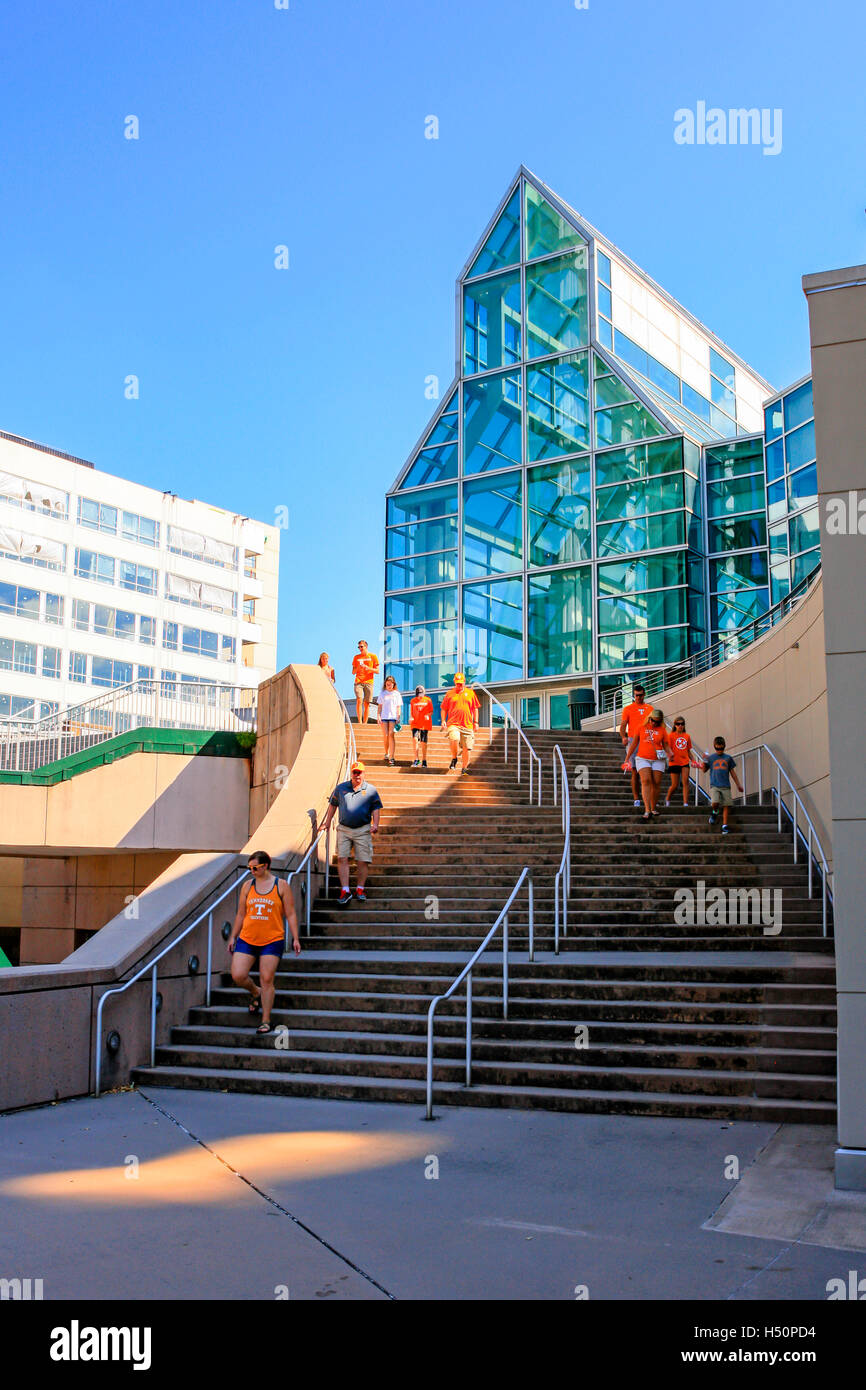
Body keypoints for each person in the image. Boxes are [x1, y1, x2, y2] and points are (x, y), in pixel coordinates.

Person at [228, 851, 300, 1035]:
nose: (251, 871)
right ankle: (255, 992)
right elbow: (240, 914)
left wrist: (295, 938)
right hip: (248, 938)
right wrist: (233, 936)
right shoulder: (247, 886)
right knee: (237, 974)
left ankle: (266, 1020)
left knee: (267, 978)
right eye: (249, 868)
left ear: (266, 866)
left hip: (272, 939)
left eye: (255, 868)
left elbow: (290, 913)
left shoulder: (281, 885)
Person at [320, 760, 383, 905]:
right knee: (342, 858)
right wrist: (327, 823)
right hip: (344, 828)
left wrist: (376, 824)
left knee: (363, 860)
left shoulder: (371, 790)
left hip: (363, 829)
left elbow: (376, 808)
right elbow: (332, 806)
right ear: (351, 774)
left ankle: (360, 889)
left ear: (364, 774)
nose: (357, 775)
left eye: (359, 772)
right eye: (355, 772)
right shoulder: (341, 788)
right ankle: (345, 890)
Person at [625, 708, 672, 821]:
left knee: (656, 783)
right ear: (649, 718)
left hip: (658, 759)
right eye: (652, 720)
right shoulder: (641, 727)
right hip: (642, 758)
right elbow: (634, 744)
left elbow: (665, 745)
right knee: (646, 781)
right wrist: (627, 758)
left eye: (657, 721)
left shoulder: (662, 730)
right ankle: (647, 809)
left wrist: (670, 753)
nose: (654, 723)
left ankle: (653, 807)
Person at [619, 684, 653, 808]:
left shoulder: (649, 708)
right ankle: (636, 799)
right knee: (634, 770)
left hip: (647, 740)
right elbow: (623, 725)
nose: (638, 697)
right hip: (633, 739)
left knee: (648, 771)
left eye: (640, 695)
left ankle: (649, 799)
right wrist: (623, 736)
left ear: (644, 695)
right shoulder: (628, 708)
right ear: (634, 696)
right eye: (636, 695)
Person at [440, 672, 481, 774]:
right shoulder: (449, 694)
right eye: (457, 683)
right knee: (454, 738)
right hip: (453, 723)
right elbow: (444, 709)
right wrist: (443, 720)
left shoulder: (470, 693)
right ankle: (454, 758)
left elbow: (475, 708)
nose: (459, 685)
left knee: (467, 747)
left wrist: (476, 722)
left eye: (461, 683)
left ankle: (464, 768)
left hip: (467, 725)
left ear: (464, 682)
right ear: (454, 682)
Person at [702, 736, 743, 836]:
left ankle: (724, 825)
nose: (719, 751)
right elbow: (704, 770)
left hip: (725, 786)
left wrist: (738, 785)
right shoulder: (711, 758)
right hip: (715, 785)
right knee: (715, 803)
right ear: (714, 747)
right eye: (717, 748)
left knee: (726, 805)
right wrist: (704, 761)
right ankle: (714, 812)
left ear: (724, 747)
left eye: (721, 748)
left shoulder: (728, 758)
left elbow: (733, 773)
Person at [665, 716, 700, 807]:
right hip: (674, 762)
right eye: (678, 724)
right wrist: (669, 756)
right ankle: (668, 798)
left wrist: (693, 761)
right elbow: (667, 748)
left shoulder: (687, 736)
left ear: (684, 725)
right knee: (675, 785)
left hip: (684, 762)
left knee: (685, 782)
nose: (680, 726)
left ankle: (685, 803)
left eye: (682, 724)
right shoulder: (671, 735)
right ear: (675, 725)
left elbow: (688, 751)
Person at [351, 640, 379, 725]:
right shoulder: (356, 657)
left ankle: (365, 723)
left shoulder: (373, 656)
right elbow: (353, 672)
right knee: (359, 700)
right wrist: (358, 667)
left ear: (366, 646)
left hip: (369, 682)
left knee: (367, 703)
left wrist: (368, 668)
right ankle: (359, 722)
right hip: (358, 681)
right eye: (358, 647)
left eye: (361, 646)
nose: (360, 648)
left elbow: (377, 671)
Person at [377, 674, 402, 765]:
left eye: (390, 684)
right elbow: (380, 706)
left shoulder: (397, 694)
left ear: (393, 684)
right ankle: (386, 752)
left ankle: (392, 757)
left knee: (391, 735)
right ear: (385, 684)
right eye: (387, 684)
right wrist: (378, 716)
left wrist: (398, 717)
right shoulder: (382, 694)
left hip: (393, 717)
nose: (389, 686)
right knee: (386, 735)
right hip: (384, 717)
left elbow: (398, 707)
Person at [409, 684, 433, 769]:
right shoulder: (413, 701)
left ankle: (424, 760)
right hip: (415, 723)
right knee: (415, 740)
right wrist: (411, 717)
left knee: (423, 742)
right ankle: (416, 759)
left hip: (424, 724)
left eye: (421, 695)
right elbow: (412, 711)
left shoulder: (428, 700)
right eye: (418, 695)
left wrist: (427, 715)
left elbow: (431, 711)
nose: (419, 697)